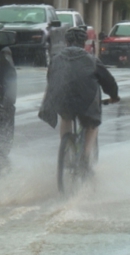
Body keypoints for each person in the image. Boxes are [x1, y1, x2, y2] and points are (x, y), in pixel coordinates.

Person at [39, 27, 119, 170]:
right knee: (91, 125)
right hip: (86, 101)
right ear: (84, 43)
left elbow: (50, 78)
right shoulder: (92, 60)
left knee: (66, 117)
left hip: (62, 99)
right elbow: (108, 80)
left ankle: (66, 150)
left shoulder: (56, 59)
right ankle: (85, 159)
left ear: (66, 42)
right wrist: (113, 96)